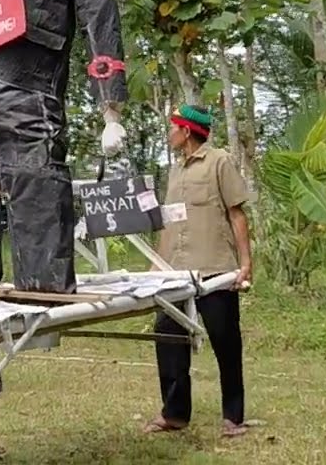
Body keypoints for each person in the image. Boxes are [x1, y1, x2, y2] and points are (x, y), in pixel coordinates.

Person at [143, 104, 252, 439]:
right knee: (168, 338)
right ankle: (174, 414)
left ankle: (233, 417)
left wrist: (245, 264)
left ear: (186, 131)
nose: (169, 133)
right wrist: (155, 267)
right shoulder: (175, 170)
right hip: (176, 274)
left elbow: (237, 214)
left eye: (173, 127)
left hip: (215, 269)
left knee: (225, 342)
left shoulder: (219, 161)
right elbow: (169, 222)